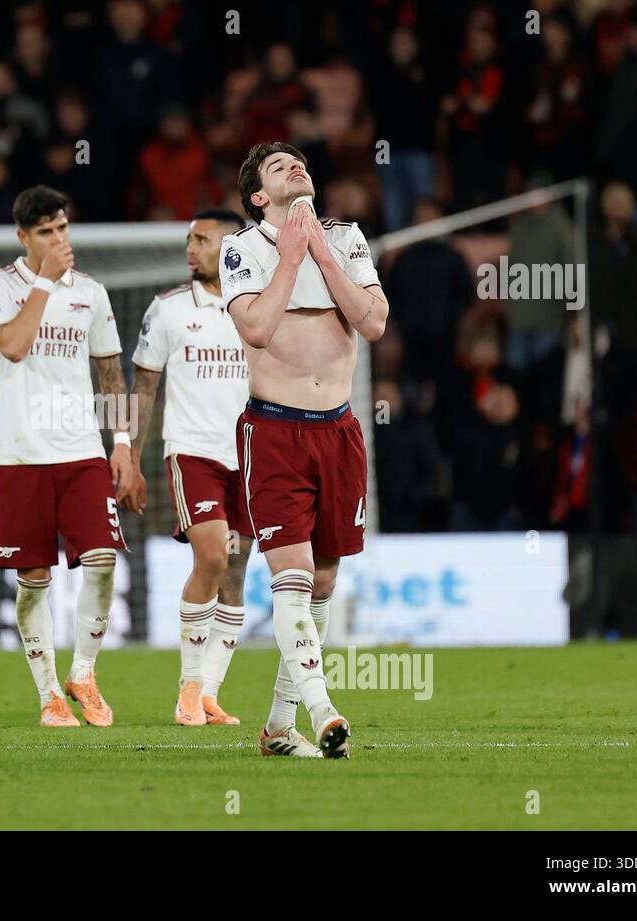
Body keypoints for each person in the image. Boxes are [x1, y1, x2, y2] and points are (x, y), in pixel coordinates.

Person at [221, 142, 389, 759]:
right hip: (274, 431)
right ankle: (323, 710)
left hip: (339, 431)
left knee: (321, 580)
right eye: (277, 166)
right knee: (290, 577)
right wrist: (291, 257)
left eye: (299, 160)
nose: (296, 166)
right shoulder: (241, 249)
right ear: (259, 197)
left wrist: (319, 249)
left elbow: (372, 322)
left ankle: (278, 725)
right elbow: (259, 329)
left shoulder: (346, 237)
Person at [0, 185, 133, 728]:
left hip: (82, 451)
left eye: (62, 228)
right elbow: (15, 345)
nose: (59, 239)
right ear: (24, 237)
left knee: (104, 560)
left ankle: (82, 673)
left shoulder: (92, 292)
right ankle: (48, 695)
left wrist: (124, 446)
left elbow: (111, 373)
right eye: (46, 232)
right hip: (20, 455)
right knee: (33, 577)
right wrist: (43, 279)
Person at [125, 208, 251, 726]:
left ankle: (210, 694)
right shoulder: (169, 310)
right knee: (213, 557)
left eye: (201, 239)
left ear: (230, 247)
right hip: (193, 451)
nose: (190, 248)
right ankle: (188, 689)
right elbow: (143, 389)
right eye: (189, 239)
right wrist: (129, 456)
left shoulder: (259, 308)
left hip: (251, 455)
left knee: (238, 572)